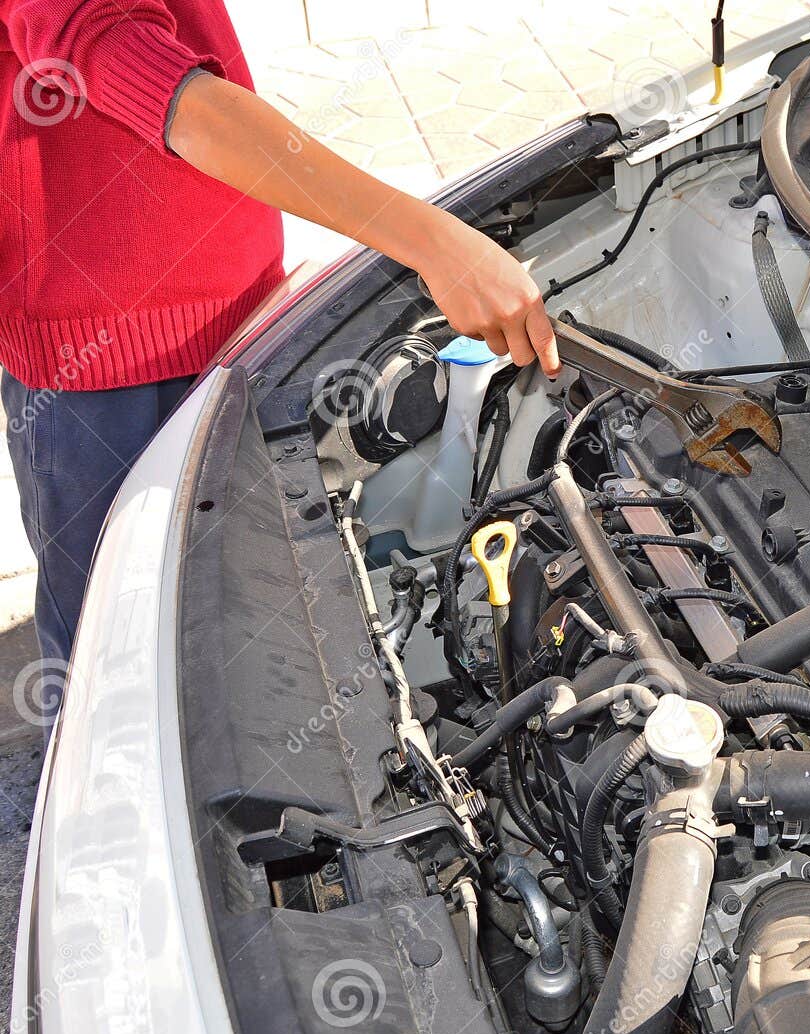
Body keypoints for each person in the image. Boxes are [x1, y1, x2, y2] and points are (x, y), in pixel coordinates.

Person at [1, 0, 558, 709]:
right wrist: (431, 242)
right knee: (115, 690)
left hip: (243, 314)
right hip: (102, 376)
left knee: (238, 644)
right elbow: (132, 62)